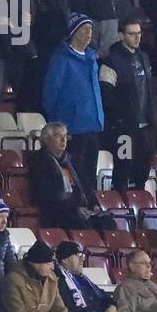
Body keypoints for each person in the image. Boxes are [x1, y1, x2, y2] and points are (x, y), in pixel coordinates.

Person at [43, 13, 105, 190]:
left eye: (91, 29)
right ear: (74, 32)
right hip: (72, 128)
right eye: (84, 29)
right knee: (74, 176)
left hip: (93, 125)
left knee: (89, 177)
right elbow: (51, 92)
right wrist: (58, 123)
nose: (89, 33)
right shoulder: (61, 59)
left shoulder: (92, 59)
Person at [99, 15, 157, 191]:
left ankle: (138, 204)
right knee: (123, 168)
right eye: (132, 34)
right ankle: (121, 205)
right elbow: (105, 94)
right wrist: (121, 116)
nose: (137, 37)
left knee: (143, 169)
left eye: (139, 33)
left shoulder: (144, 58)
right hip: (124, 128)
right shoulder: (111, 61)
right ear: (121, 35)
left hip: (145, 125)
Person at [12, 0, 71, 112]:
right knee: (33, 97)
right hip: (34, 57)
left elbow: (66, 18)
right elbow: (19, 27)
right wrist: (32, 54)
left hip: (57, 53)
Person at [28, 122, 112, 231]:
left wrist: (94, 205)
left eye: (65, 136)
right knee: (81, 223)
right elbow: (47, 194)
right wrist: (75, 209)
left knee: (107, 221)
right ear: (46, 140)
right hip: (58, 211)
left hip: (79, 208)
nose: (63, 140)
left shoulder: (71, 159)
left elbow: (85, 185)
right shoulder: (39, 161)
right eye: (58, 136)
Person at [2, 239, 80, 312]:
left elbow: (60, 310)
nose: (52, 267)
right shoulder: (13, 280)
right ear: (36, 263)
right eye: (48, 263)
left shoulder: (51, 280)